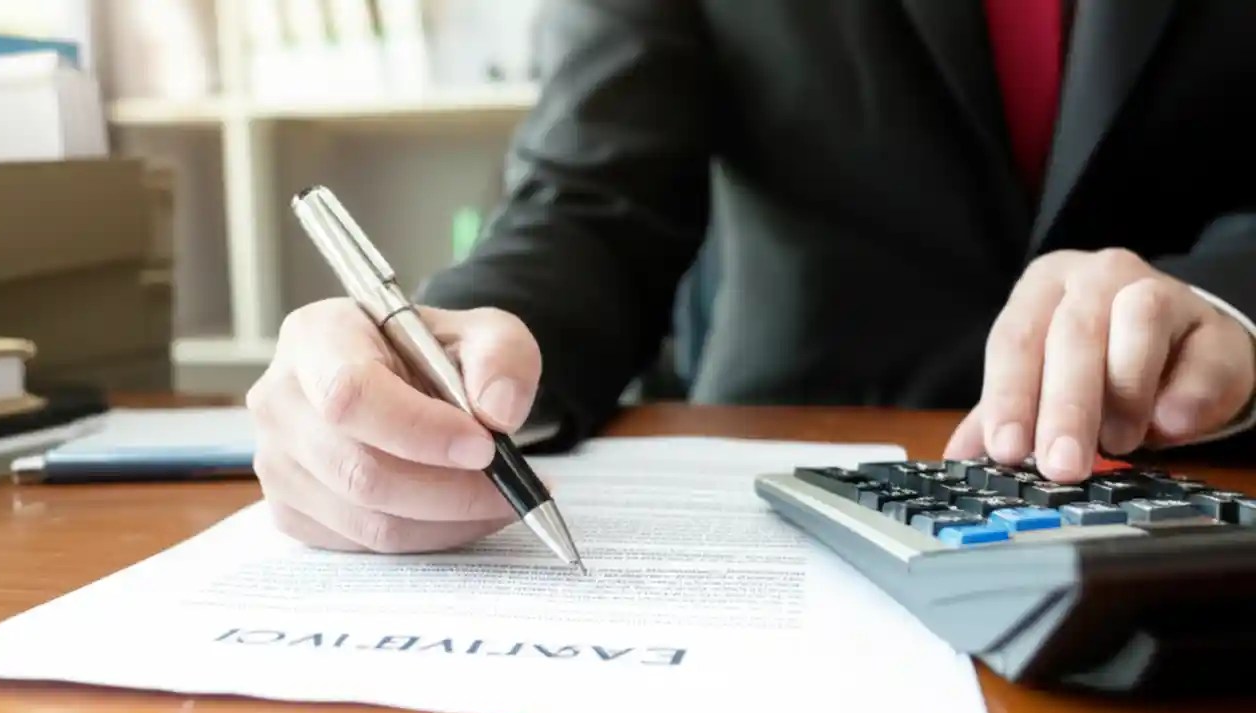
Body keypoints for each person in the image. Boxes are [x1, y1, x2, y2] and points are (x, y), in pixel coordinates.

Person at [246, 1, 1256, 554]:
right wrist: (450, 355)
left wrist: (1226, 298)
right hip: (786, 479)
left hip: (1195, 481)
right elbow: (592, 203)